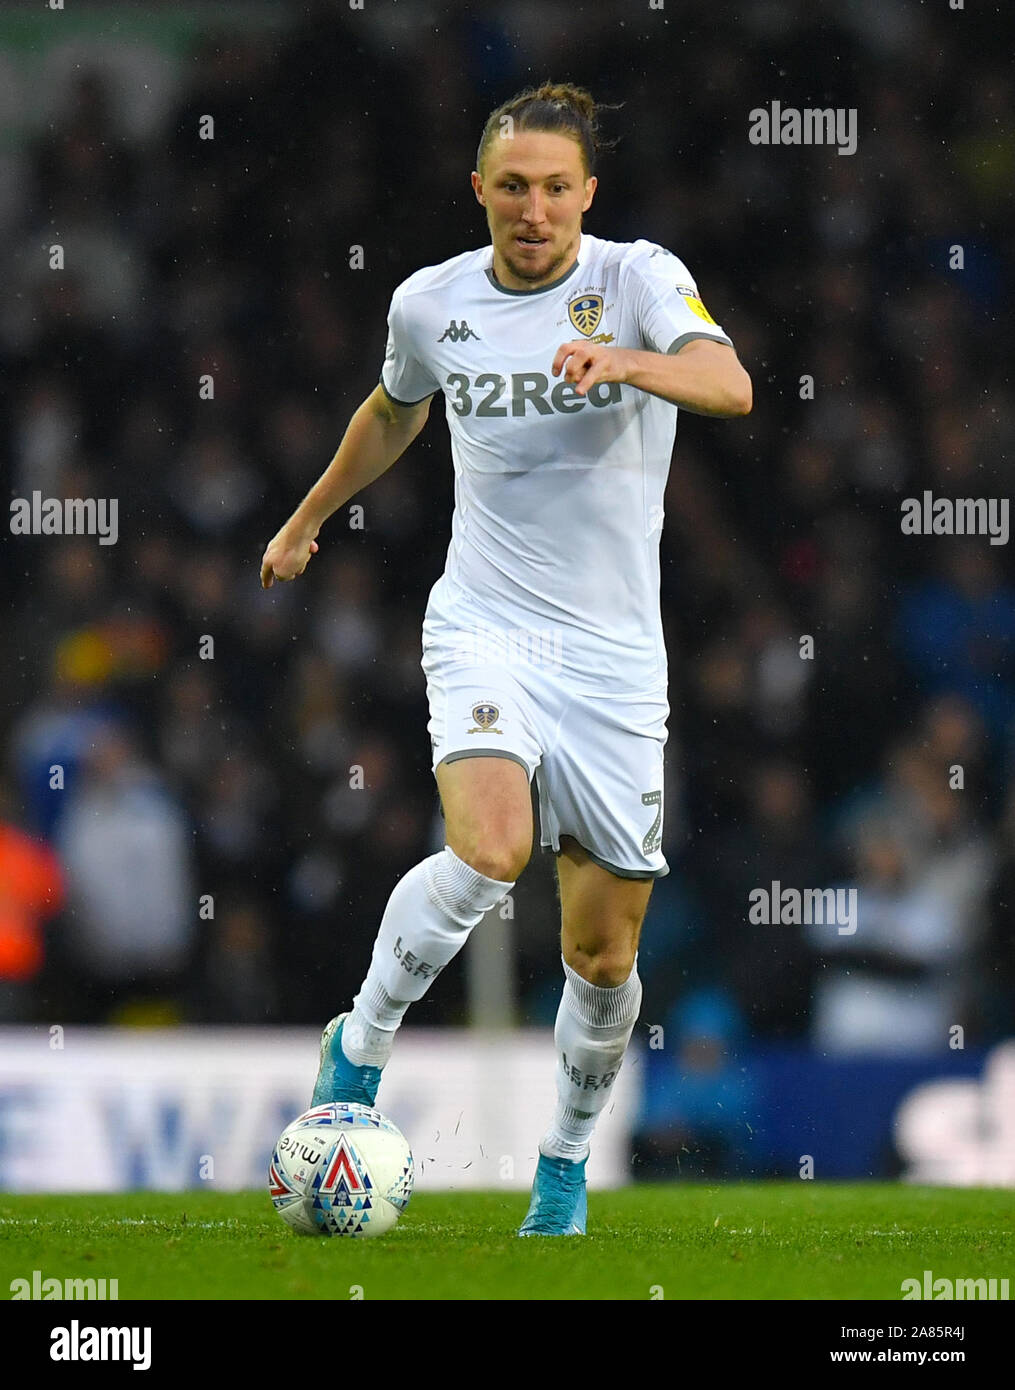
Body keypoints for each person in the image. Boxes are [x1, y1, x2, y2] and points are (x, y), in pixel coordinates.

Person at [260, 82, 751, 1235]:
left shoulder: (633, 279)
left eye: (555, 189)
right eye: (512, 187)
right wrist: (305, 516)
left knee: (600, 948)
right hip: (485, 621)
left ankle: (564, 1165)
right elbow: (394, 410)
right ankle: (360, 1042)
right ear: (478, 189)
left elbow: (727, 384)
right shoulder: (431, 303)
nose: (534, 210)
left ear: (590, 193)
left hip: (616, 658)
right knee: (488, 851)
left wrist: (628, 366)